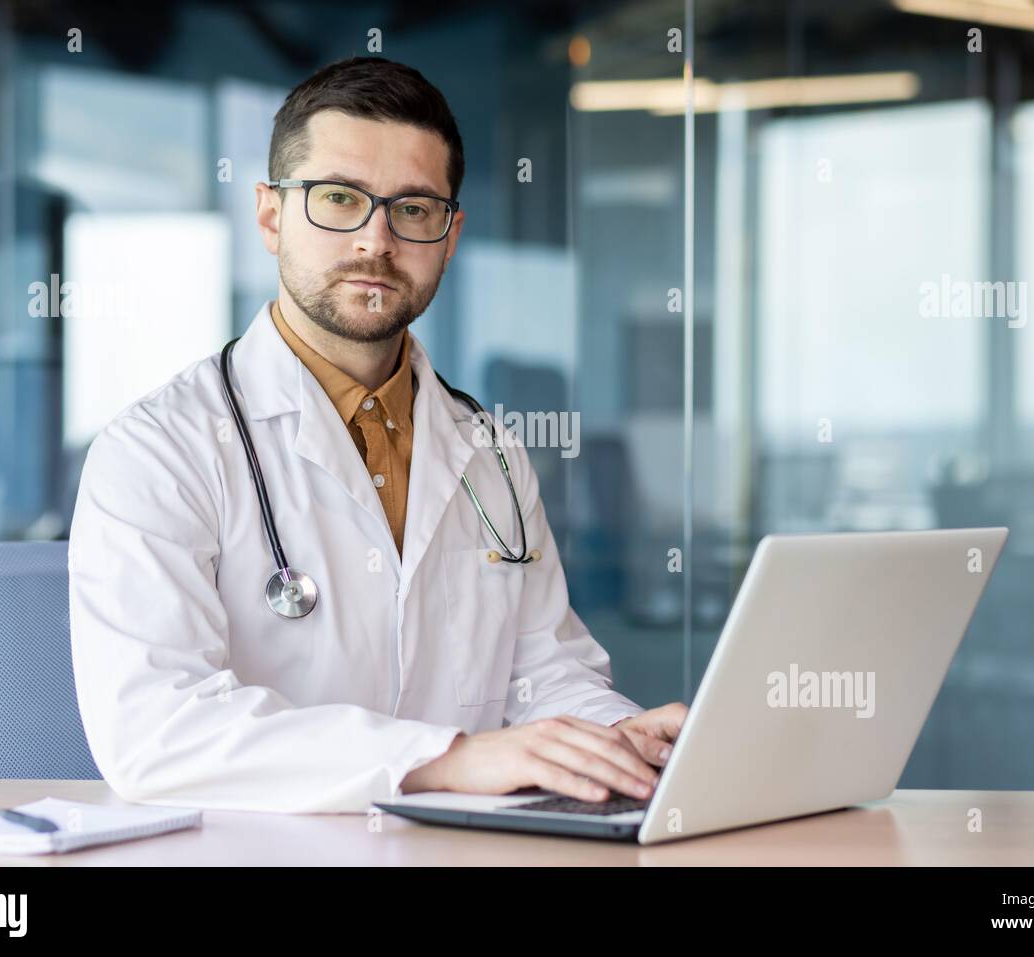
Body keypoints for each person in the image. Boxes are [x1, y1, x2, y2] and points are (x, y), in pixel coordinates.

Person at [68, 55, 686, 814]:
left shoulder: (488, 450)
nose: (376, 239)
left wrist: (624, 739)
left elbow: (544, 672)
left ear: (451, 234)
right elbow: (155, 730)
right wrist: (445, 759)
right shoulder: (159, 450)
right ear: (269, 214)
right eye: (338, 198)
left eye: (414, 209)